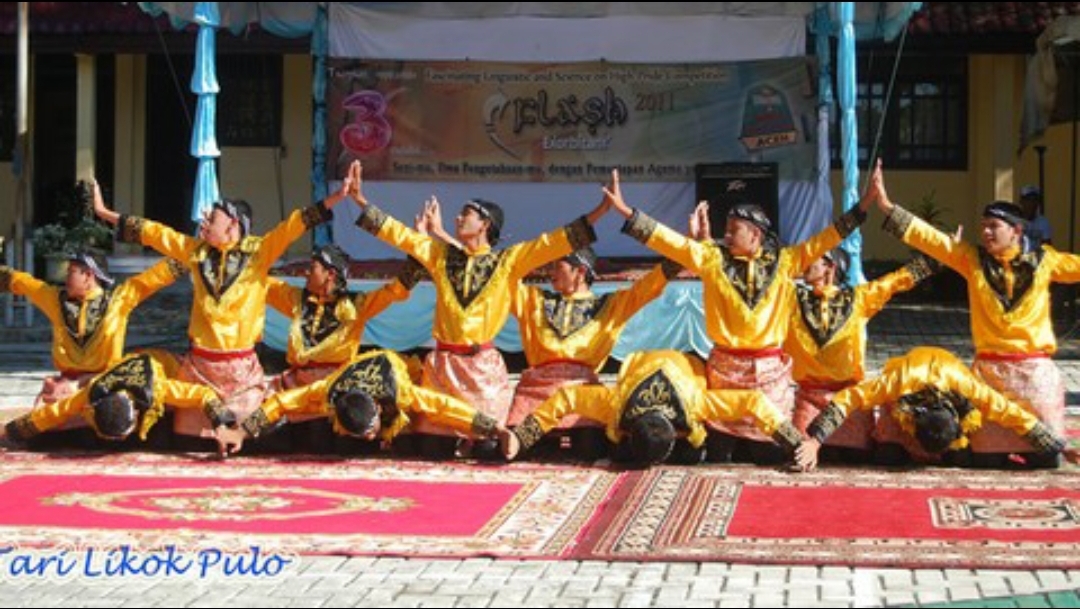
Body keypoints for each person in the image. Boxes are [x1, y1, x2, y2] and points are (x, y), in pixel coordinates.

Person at [606, 170, 873, 464]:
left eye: (734, 230)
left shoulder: (786, 262)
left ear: (755, 234)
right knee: (719, 454)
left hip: (768, 375)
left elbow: (826, 238)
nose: (728, 235)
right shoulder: (713, 259)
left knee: (769, 454)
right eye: (726, 229)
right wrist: (624, 211)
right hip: (725, 372)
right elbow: (667, 241)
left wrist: (865, 206)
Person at [344, 160, 607, 455]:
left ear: (485, 224)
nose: (458, 218)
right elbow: (398, 234)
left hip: (482, 369)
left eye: (465, 214)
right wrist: (359, 199)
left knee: (488, 450)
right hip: (443, 366)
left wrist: (601, 212)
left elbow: (552, 242)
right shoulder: (440, 256)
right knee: (430, 450)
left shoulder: (506, 262)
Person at [92, 174, 353, 440]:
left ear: (233, 225)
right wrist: (105, 213)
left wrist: (337, 197)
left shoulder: (258, 254)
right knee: (185, 439)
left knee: (253, 437)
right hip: (199, 370)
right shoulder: (196, 252)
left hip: (242, 374)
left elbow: (294, 225)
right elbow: (155, 233)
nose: (203, 222)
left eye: (211, 219)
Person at [873, 162, 1080, 467]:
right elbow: (930, 239)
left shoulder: (1045, 261)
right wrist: (885, 205)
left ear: (1016, 230)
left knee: (1048, 459)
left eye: (993, 226)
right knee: (985, 460)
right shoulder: (972, 261)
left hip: (1034, 373)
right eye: (983, 225)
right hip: (989, 374)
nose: (985, 232)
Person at [503, 350, 804, 467]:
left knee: (711, 455)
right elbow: (565, 399)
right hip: (643, 364)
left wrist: (795, 441)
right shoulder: (615, 406)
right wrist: (522, 436)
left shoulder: (692, 404)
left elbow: (752, 401)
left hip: (687, 365)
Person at [794, 347, 1080, 470]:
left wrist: (1058, 446)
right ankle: (904, 445)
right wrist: (815, 441)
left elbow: (1010, 412)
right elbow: (849, 399)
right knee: (887, 457)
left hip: (947, 397)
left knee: (969, 460)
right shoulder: (897, 382)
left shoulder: (967, 388)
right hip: (906, 401)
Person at [785, 248, 937, 463]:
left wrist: (938, 256)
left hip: (849, 399)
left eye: (813, 257)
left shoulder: (859, 298)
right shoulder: (790, 297)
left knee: (857, 457)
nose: (805, 260)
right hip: (809, 397)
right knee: (797, 453)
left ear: (830, 267)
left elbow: (896, 280)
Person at [213, 349, 513, 457]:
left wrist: (495, 429)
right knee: (332, 445)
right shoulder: (328, 392)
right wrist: (241, 431)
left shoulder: (401, 393)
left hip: (398, 369)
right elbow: (280, 403)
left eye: (371, 430)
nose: (370, 435)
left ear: (380, 410)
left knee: (423, 447)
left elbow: (446, 407)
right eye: (366, 432)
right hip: (351, 385)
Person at [0, 240, 185, 406]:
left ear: (88, 276)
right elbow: (23, 282)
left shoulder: (118, 300)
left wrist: (191, 255)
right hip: (64, 387)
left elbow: (154, 277)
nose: (66, 277)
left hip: (104, 385)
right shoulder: (55, 299)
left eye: (71, 272)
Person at [265, 244, 421, 393]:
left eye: (312, 268)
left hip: (335, 386)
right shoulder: (297, 299)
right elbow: (262, 283)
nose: (306, 273)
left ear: (330, 274)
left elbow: (393, 291)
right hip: (296, 385)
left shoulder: (355, 305)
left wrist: (418, 254)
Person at [3, 353, 227, 448]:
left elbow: (204, 394)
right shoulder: (94, 392)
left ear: (137, 414)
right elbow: (53, 413)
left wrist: (223, 425)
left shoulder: (158, 388)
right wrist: (9, 432)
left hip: (167, 363)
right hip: (120, 368)